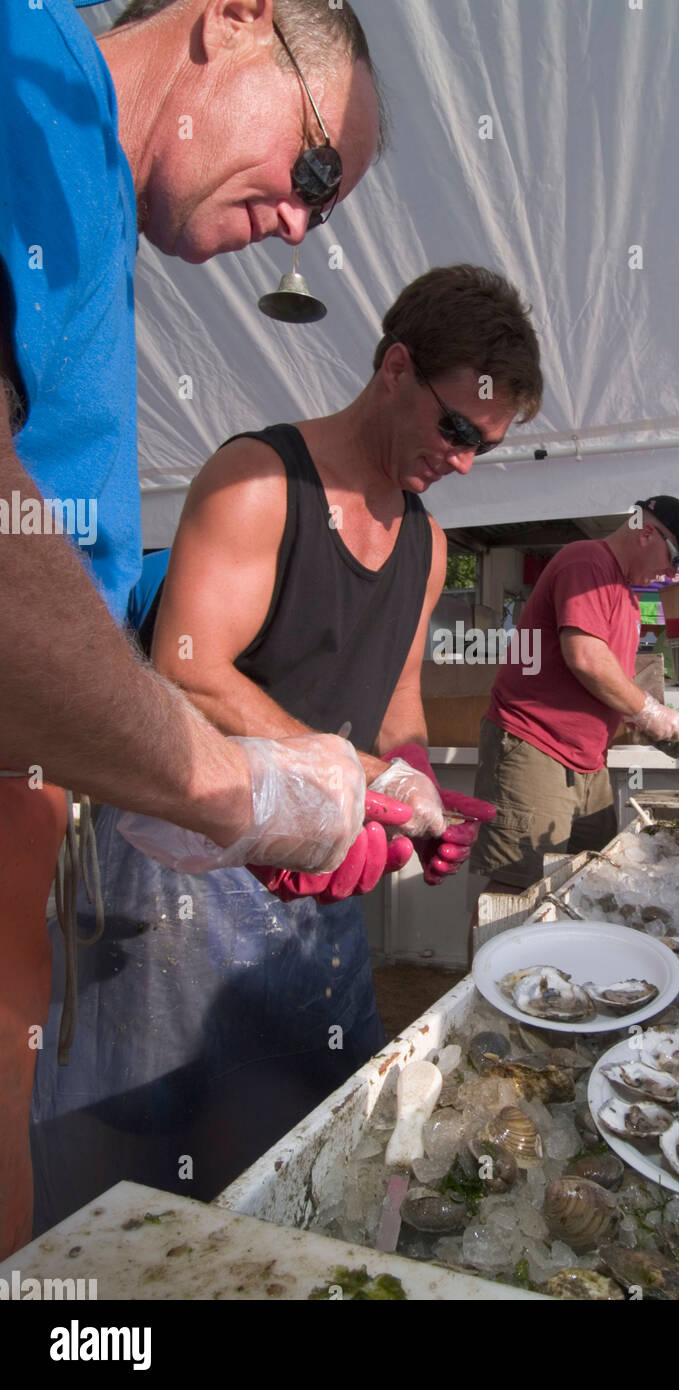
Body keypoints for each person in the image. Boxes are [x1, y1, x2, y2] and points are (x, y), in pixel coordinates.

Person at [31, 265, 543, 1229]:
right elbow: (189, 671)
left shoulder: (428, 545)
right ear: (397, 367)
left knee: (314, 1139)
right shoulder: (259, 479)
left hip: (321, 873)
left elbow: (395, 694)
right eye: (458, 430)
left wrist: (413, 779)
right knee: (153, 1165)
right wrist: (353, 779)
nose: (467, 461)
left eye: (488, 446)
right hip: (190, 864)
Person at [1, 0, 382, 1256]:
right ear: (234, 18)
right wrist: (230, 781)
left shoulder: (94, 210)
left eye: (320, 216)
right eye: (313, 169)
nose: (297, 225)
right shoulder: (34, 78)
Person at [469, 497, 679, 894]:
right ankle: (494, 959)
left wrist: (648, 727)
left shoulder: (626, 596)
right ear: (647, 532)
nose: (672, 571)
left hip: (586, 762)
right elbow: (586, 657)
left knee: (587, 881)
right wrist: (649, 711)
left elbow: (609, 683)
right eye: (676, 558)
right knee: (516, 888)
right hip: (534, 746)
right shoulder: (587, 562)